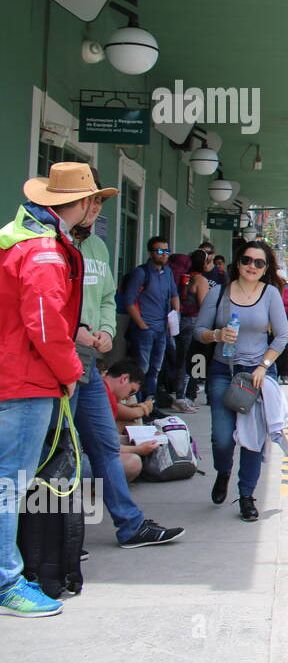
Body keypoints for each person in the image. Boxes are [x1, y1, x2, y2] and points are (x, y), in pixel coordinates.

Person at [0, 162, 99, 616]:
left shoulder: (21, 236)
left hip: (15, 375)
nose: (95, 207)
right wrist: (70, 369)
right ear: (77, 204)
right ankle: (6, 583)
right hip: (26, 381)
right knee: (10, 485)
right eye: (93, 199)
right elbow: (45, 323)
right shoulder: (44, 251)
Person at [72, 186, 183, 548]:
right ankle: (54, 541)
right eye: (91, 201)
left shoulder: (98, 248)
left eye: (100, 202)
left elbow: (107, 298)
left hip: (89, 361)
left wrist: (105, 331)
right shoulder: (49, 245)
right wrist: (77, 333)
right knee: (55, 451)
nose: (95, 209)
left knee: (104, 444)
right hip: (60, 360)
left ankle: (130, 526)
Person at [194, 240, 288, 522]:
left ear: (266, 268)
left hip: (256, 374)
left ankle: (246, 495)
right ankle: (223, 472)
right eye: (248, 260)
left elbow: (282, 336)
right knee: (222, 438)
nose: (252, 267)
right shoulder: (219, 293)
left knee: (252, 440)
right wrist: (216, 335)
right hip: (224, 370)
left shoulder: (270, 294)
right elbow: (199, 330)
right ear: (238, 262)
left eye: (259, 263)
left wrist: (264, 365)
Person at [123, 235, 180, 403]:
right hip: (145, 329)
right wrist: (141, 324)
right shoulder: (141, 273)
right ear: (150, 253)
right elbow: (129, 301)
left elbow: (174, 295)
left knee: (156, 369)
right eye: (160, 251)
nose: (164, 254)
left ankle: (150, 405)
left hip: (163, 328)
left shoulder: (168, 272)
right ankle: (138, 404)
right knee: (142, 368)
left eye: (167, 251)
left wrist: (175, 315)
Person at [102, 360, 164, 484]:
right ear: (124, 378)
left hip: (84, 452)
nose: (128, 398)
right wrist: (138, 449)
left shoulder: (105, 393)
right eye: (131, 391)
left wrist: (136, 440)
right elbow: (102, 447)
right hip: (81, 459)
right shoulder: (102, 396)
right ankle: (93, 488)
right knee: (133, 462)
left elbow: (104, 440)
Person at [169, 248, 212, 413]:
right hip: (194, 322)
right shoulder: (201, 280)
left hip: (180, 321)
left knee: (180, 359)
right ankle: (183, 397)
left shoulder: (184, 277)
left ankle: (182, 395)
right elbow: (203, 305)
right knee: (191, 360)